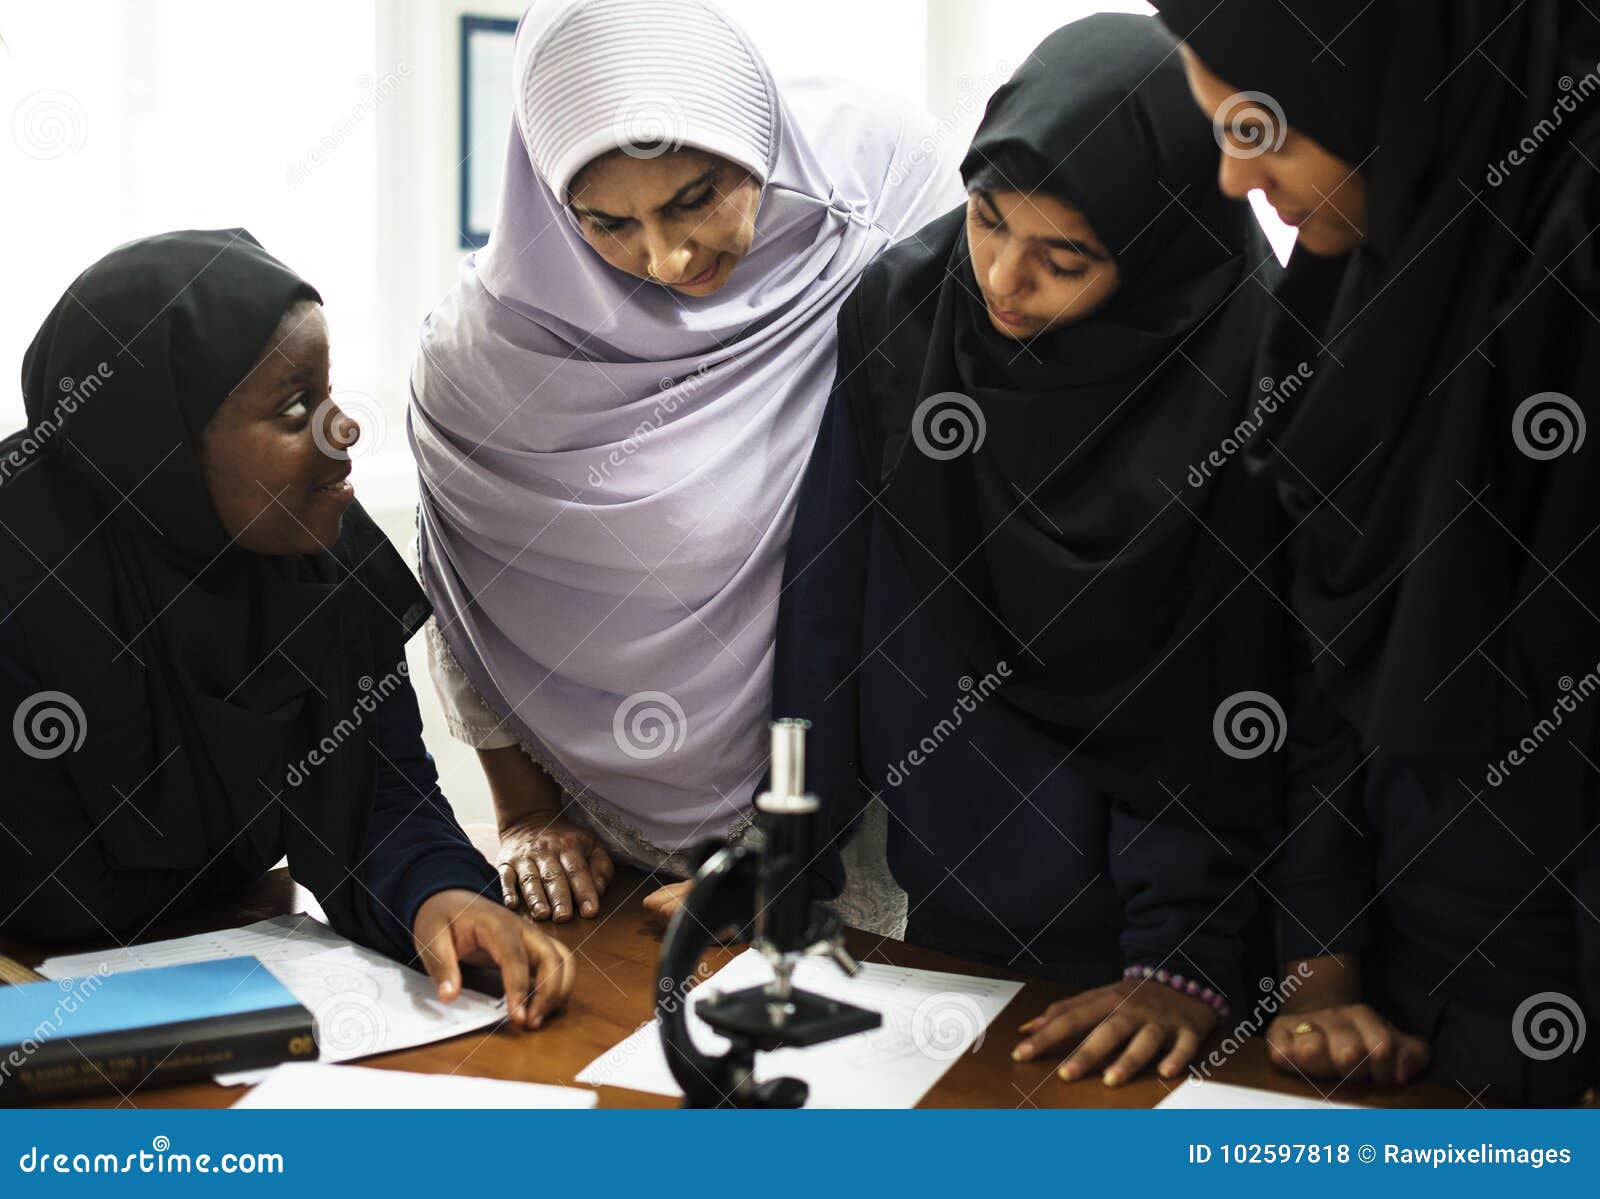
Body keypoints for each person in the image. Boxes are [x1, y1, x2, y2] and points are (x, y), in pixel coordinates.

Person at [775, 14, 1304, 1086]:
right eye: (985, 219)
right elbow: (825, 599)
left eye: (1063, 259)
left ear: (1159, 251)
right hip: (951, 892)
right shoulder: (905, 313)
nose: (1003, 280)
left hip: (1173, 948)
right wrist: (785, 867)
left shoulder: (1253, 366)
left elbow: (1237, 676)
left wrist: (1182, 953)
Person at [411, 0, 961, 925]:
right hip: (609, 854)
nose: (666, 258)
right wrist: (526, 814)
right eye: (605, 223)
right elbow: (468, 585)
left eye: (695, 198)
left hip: (873, 812)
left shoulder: (885, 196)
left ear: (754, 132)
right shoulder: (488, 353)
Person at [1157, 0, 1600, 1103]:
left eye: (1260, 131)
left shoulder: (1568, 269)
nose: (1232, 180)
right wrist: (1324, 961)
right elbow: (1323, 673)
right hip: (1425, 996)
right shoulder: (1373, 279)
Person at [0, 230, 574, 1028]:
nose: (346, 430)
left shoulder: (315, 558)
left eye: (330, 393)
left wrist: (443, 899)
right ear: (156, 442)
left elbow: (382, 796)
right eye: (296, 407)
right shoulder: (21, 579)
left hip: (237, 972)